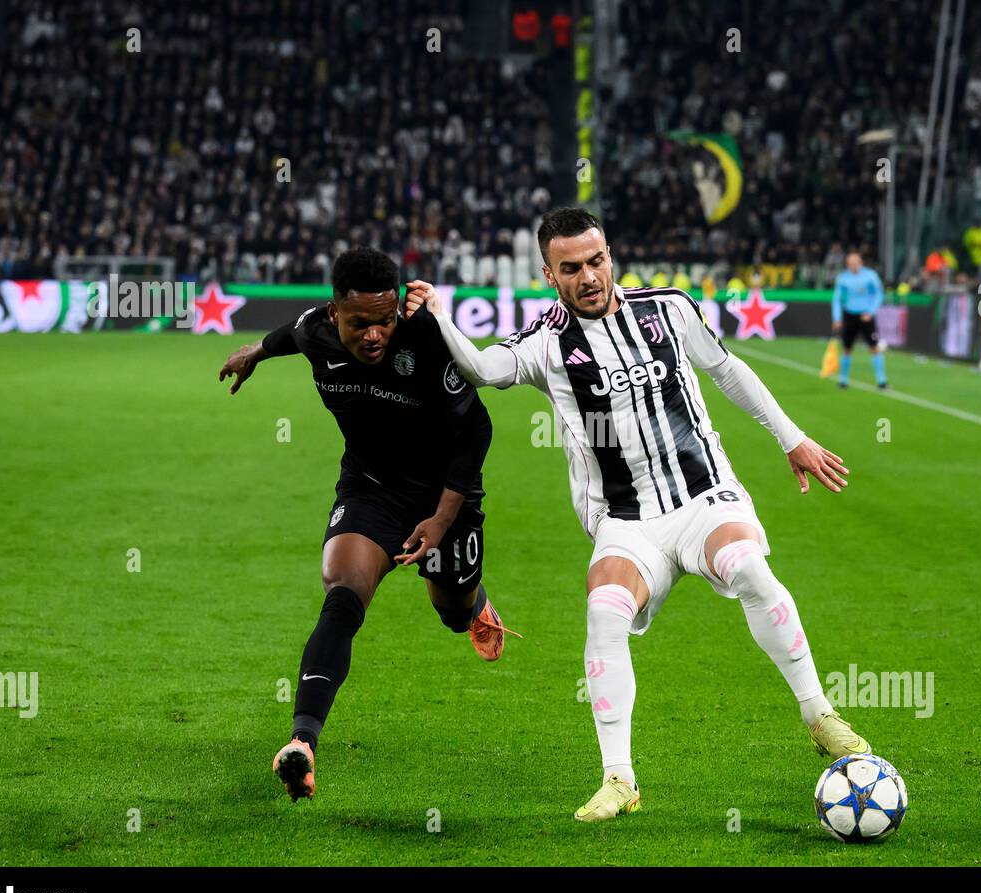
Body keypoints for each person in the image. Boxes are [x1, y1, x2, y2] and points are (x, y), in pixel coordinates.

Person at [403, 207, 871, 822]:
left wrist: (793, 439)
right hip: (625, 519)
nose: (589, 276)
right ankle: (619, 778)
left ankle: (820, 716)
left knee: (749, 568)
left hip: (703, 496)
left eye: (596, 261)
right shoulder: (547, 342)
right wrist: (438, 315)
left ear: (610, 255)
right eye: (571, 268)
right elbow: (485, 370)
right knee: (604, 610)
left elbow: (728, 370)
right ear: (550, 274)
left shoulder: (669, 309)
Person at [217, 247, 516, 802]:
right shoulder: (316, 332)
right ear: (335, 314)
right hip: (370, 489)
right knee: (343, 590)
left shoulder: (426, 338)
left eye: (384, 320)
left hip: (444, 495)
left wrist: (441, 518)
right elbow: (291, 334)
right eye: (360, 324)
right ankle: (303, 742)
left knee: (450, 611)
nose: (375, 334)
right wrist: (254, 352)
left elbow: (477, 431)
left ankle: (475, 607)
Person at [830, 251, 888, 389]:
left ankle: (882, 381)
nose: (853, 266)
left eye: (855, 263)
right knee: (847, 348)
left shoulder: (870, 276)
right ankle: (843, 380)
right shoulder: (843, 278)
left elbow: (879, 294)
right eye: (850, 263)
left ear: (861, 263)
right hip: (850, 315)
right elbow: (837, 299)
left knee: (874, 347)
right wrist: (837, 318)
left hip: (866, 316)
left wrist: (871, 311)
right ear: (847, 265)